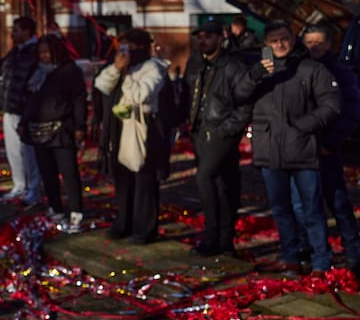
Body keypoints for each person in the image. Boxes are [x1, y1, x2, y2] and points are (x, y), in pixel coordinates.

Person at [240, 21, 340, 274]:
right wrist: (253, 76)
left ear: (293, 39)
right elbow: (237, 96)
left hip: (303, 149)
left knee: (311, 209)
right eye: (273, 40)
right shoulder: (258, 71)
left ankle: (320, 261)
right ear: (266, 44)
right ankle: (290, 257)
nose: (279, 44)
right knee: (281, 209)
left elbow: (331, 105)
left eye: (283, 38)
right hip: (269, 150)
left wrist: (304, 125)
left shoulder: (311, 69)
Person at [183, 20, 253, 257]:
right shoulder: (197, 63)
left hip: (221, 131)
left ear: (220, 38)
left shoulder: (233, 65)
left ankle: (213, 238)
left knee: (205, 178)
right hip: (200, 131)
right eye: (200, 36)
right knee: (221, 184)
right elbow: (189, 94)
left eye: (208, 36)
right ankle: (223, 241)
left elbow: (245, 104)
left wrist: (227, 130)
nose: (203, 41)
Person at [93, 29, 168, 244]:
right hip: (119, 127)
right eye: (123, 47)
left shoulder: (153, 67)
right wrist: (116, 68)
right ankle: (123, 222)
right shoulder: (122, 66)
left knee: (144, 178)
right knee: (122, 177)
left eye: (131, 47)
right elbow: (102, 86)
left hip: (143, 127)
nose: (127, 52)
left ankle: (145, 228)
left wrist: (126, 76)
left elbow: (140, 95)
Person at [301, 24, 360, 273]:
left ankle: (354, 254)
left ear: (328, 44)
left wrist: (331, 142)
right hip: (301, 150)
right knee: (305, 205)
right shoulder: (298, 69)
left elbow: (351, 111)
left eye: (319, 41)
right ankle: (313, 253)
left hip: (326, 148)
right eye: (309, 42)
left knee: (338, 202)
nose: (313, 46)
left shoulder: (341, 72)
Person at [21, 34, 87, 231]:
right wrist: (25, 121)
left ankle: (76, 211)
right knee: (47, 172)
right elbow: (29, 100)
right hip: (38, 130)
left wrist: (80, 126)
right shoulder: (36, 72)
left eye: (46, 52)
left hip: (62, 129)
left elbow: (79, 100)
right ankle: (55, 207)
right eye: (40, 52)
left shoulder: (69, 71)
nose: (43, 56)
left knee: (69, 172)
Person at [1, 17, 42, 203]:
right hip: (10, 106)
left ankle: (34, 188)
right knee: (13, 151)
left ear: (27, 31)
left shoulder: (36, 51)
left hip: (25, 110)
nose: (13, 34)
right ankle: (19, 185)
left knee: (30, 153)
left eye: (16, 30)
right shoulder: (15, 52)